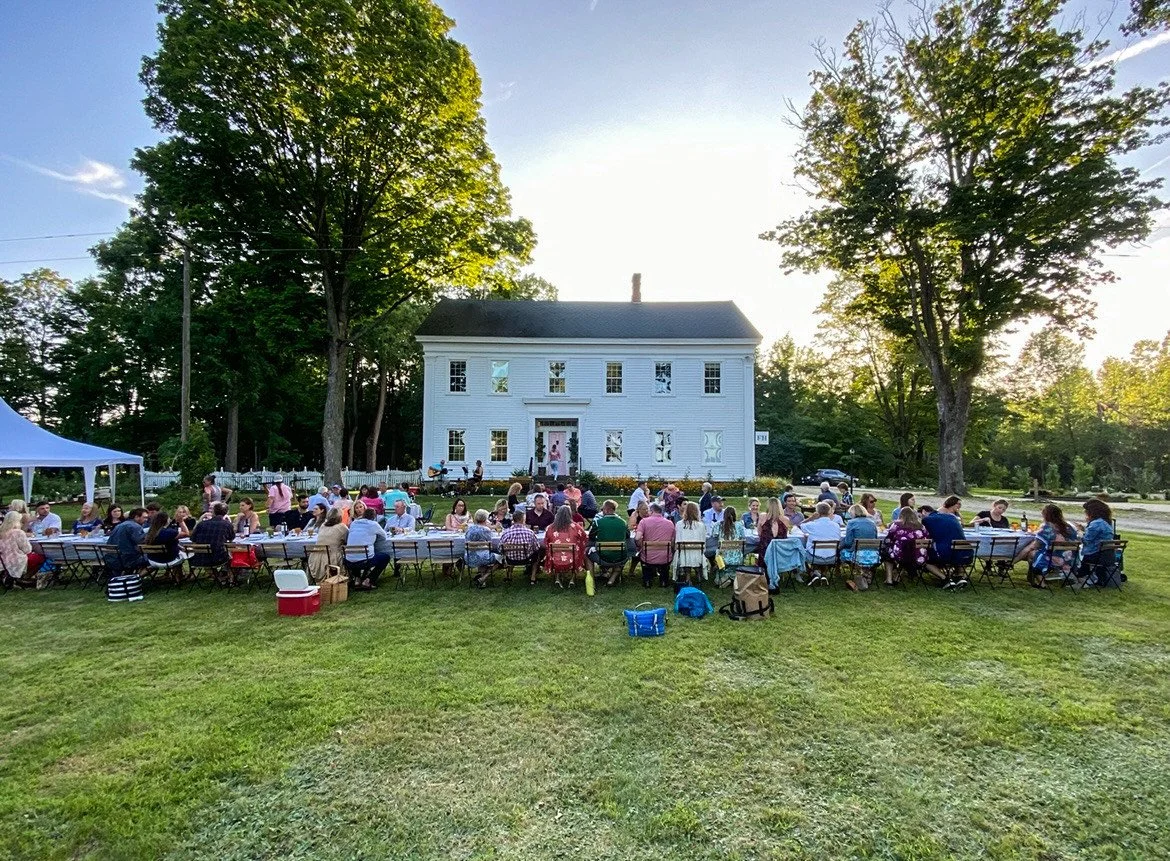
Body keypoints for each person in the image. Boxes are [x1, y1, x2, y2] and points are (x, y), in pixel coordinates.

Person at [1014, 503, 1079, 587]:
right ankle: (1032, 578)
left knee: (1031, 552)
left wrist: (1018, 557)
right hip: (1069, 558)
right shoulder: (1069, 527)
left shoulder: (1047, 527)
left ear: (1045, 515)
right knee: (1034, 550)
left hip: (1051, 558)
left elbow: (1035, 545)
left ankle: (1041, 583)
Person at [923, 496, 971, 589]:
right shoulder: (953, 519)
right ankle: (960, 576)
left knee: (924, 559)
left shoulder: (928, 520)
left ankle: (945, 579)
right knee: (958, 552)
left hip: (945, 555)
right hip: (966, 555)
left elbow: (925, 533)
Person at [882, 507, 937, 586]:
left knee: (887, 555)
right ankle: (897, 577)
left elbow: (889, 537)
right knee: (906, 552)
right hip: (918, 557)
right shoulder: (921, 526)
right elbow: (927, 537)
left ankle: (889, 579)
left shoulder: (897, 525)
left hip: (901, 555)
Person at [345, 508, 391, 589]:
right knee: (385, 557)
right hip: (365, 560)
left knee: (356, 555)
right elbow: (384, 535)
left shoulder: (354, 523)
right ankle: (369, 580)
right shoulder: (373, 524)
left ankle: (357, 579)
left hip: (348, 560)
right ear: (374, 517)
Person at [543, 504, 587, 587]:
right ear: (570, 515)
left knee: (551, 550)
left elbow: (546, 542)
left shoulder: (550, 527)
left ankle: (557, 578)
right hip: (572, 560)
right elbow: (584, 538)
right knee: (579, 549)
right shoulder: (576, 527)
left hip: (555, 560)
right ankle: (572, 579)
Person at [588, 500, 629, 586]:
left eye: (603, 509)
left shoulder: (598, 522)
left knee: (587, 554)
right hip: (620, 556)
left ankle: (591, 580)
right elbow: (628, 536)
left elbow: (591, 536)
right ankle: (613, 576)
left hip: (602, 556)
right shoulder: (623, 522)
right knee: (629, 551)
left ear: (606, 510)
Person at [0, 510, 45, 587]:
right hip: (16, 560)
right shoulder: (18, 532)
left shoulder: (1, 532)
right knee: (41, 557)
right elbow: (27, 550)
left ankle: (15, 578)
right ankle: (24, 578)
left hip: (2, 561)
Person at [840, 504, 880, 590]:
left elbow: (848, 542)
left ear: (852, 513)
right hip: (873, 554)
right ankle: (865, 572)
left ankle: (859, 573)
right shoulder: (872, 522)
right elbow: (875, 538)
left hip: (858, 554)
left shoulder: (851, 523)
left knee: (842, 551)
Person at [636, 502, 675, 588]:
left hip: (648, 557)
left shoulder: (644, 521)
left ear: (652, 511)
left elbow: (637, 537)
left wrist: (640, 545)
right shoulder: (670, 523)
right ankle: (664, 581)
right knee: (666, 557)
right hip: (665, 557)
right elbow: (673, 541)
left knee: (641, 554)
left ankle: (647, 581)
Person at [802, 502, 843, 583]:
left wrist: (811, 518)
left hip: (814, 557)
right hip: (832, 557)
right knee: (822, 550)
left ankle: (812, 572)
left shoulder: (812, 524)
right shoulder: (836, 525)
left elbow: (800, 526)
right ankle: (821, 572)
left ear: (817, 512)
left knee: (799, 550)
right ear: (829, 512)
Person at [1079, 498, 1115, 585]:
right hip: (1108, 554)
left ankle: (1080, 575)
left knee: (1078, 552)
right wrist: (1085, 529)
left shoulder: (1096, 523)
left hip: (1096, 555)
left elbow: (1086, 541)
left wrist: (1079, 532)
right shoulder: (1106, 522)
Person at [190, 503, 234, 572]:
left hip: (199, 558)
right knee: (230, 553)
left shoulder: (201, 524)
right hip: (219, 558)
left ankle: (215, 575)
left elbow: (193, 539)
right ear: (226, 513)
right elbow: (231, 538)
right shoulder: (227, 524)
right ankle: (226, 576)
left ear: (213, 512)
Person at [500, 511, 542, 585]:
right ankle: (533, 577)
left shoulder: (506, 533)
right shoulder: (530, 532)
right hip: (526, 558)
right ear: (523, 519)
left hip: (511, 560)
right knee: (537, 553)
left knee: (510, 553)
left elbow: (500, 548)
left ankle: (509, 575)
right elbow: (536, 547)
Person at [309, 507, 349, 582]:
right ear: (340, 517)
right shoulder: (342, 527)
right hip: (331, 557)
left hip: (315, 557)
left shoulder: (323, 526)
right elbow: (347, 541)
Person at [106, 507, 150, 572]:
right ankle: (137, 577)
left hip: (112, 559)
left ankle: (132, 576)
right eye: (145, 517)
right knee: (155, 558)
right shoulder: (135, 527)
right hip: (127, 560)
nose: (146, 520)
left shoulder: (119, 525)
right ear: (137, 517)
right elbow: (142, 542)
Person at [673, 501, 707, 585]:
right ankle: (698, 573)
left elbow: (677, 540)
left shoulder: (679, 524)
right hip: (697, 553)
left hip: (683, 553)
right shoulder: (701, 525)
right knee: (693, 553)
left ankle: (688, 576)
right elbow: (703, 541)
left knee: (686, 554)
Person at [708, 506, 746, 577]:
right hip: (737, 558)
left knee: (716, 551)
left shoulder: (718, 525)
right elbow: (743, 537)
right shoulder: (739, 525)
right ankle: (732, 576)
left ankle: (722, 575)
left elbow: (713, 535)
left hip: (722, 558)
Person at [465, 509, 498, 588]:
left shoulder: (469, 529)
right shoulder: (486, 530)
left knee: (483, 554)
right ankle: (484, 577)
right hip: (484, 557)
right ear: (485, 519)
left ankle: (482, 580)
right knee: (502, 557)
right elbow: (490, 543)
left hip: (469, 557)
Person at [756, 497, 788, 569]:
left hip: (765, 550)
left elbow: (759, 533)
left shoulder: (762, 516)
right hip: (779, 551)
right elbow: (785, 535)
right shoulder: (785, 519)